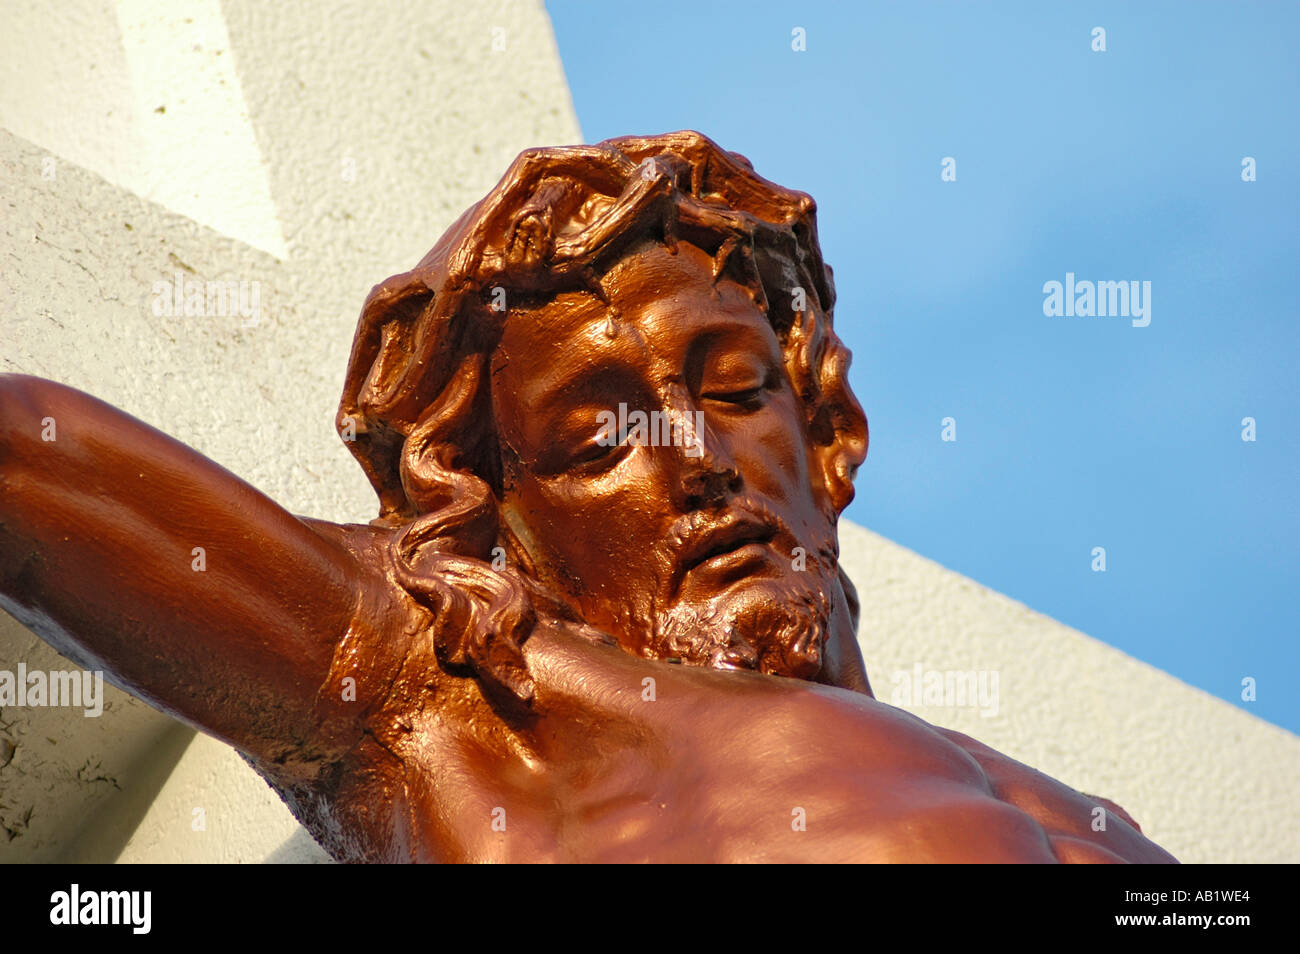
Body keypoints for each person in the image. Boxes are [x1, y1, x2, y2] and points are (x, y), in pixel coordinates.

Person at [0, 131, 1176, 862]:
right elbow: (28, 457)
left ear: (826, 436)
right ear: (492, 523)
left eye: (732, 392)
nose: (697, 459)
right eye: (594, 438)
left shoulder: (1094, 819)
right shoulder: (464, 703)